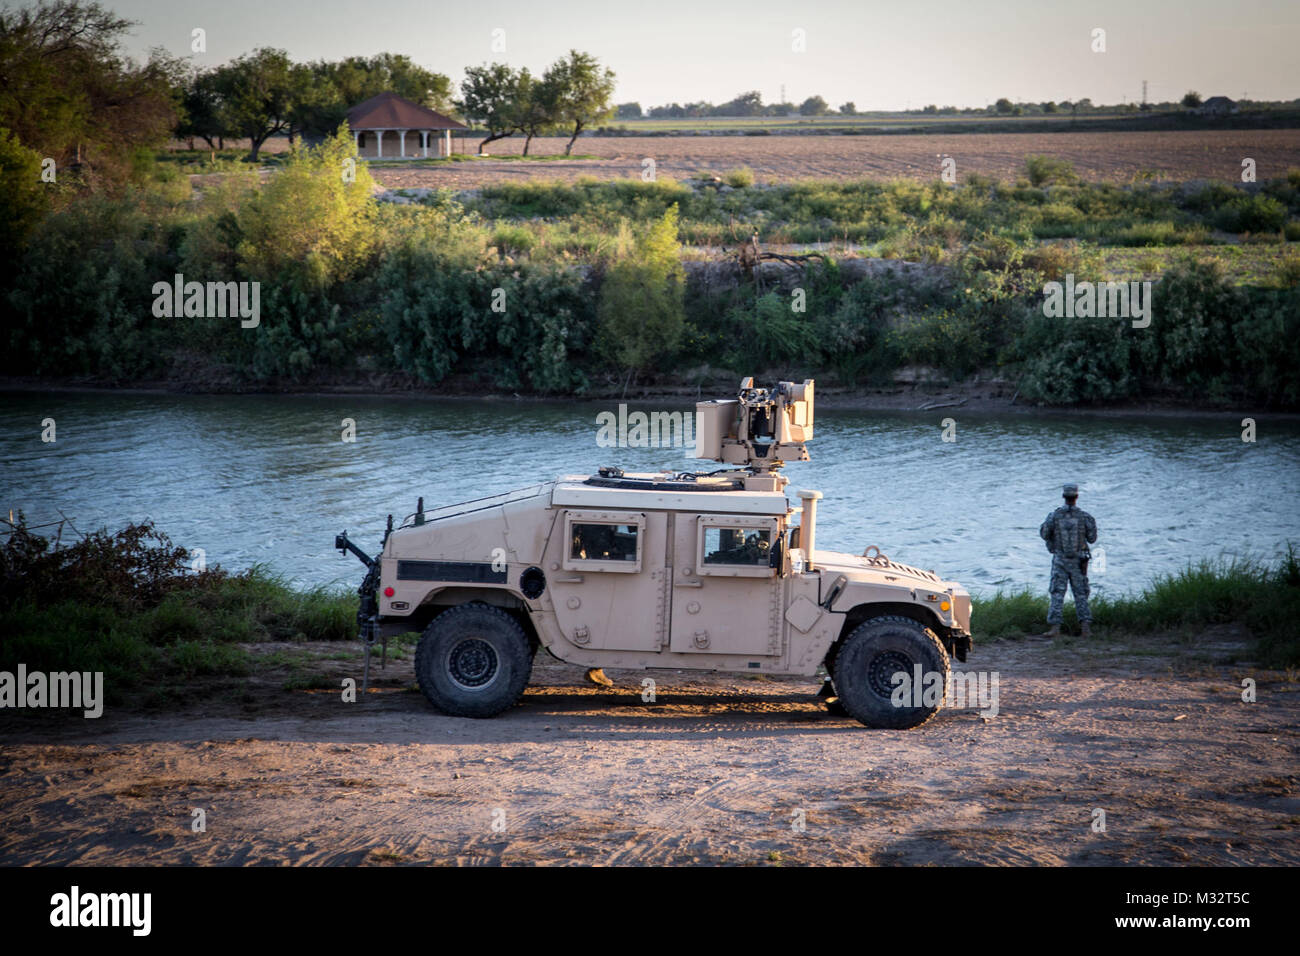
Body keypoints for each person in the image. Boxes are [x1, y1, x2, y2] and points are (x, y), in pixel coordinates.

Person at [1038, 483, 1097, 638]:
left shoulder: (1054, 516)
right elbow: (1092, 538)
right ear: (1076, 497)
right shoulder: (1085, 516)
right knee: (1081, 593)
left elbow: (1044, 533)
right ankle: (1085, 629)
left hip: (1060, 560)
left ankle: (1055, 629)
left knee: (1057, 593)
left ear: (1064, 497)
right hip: (1079, 561)